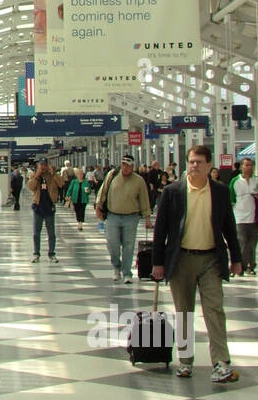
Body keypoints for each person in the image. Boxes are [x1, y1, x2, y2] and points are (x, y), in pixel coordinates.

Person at [151, 145, 243, 384]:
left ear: (209, 165)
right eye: (191, 161)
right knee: (183, 311)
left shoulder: (220, 192)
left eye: (199, 162)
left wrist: (237, 258)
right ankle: (185, 361)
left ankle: (221, 362)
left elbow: (229, 228)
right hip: (181, 259)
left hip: (211, 258)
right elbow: (160, 231)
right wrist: (157, 263)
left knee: (215, 309)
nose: (194, 166)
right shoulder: (173, 192)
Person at [96, 155, 152, 284]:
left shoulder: (139, 181)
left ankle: (127, 272)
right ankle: (116, 266)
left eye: (128, 165)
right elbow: (103, 190)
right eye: (123, 164)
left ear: (133, 167)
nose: (125, 168)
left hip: (131, 217)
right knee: (112, 243)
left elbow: (144, 200)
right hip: (113, 216)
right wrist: (98, 207)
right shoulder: (113, 175)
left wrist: (147, 218)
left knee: (128, 245)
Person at [228, 158, 258, 276]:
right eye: (246, 165)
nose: (249, 167)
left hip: (255, 217)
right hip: (240, 216)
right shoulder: (235, 181)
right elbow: (231, 199)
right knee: (243, 241)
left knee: (252, 243)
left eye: (251, 165)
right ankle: (241, 265)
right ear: (242, 167)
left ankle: (251, 265)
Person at [27, 159, 64, 262]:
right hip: (38, 207)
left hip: (49, 207)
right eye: (41, 165)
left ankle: (52, 253)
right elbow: (30, 186)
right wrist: (37, 176)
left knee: (51, 233)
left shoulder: (52, 175)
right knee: (36, 233)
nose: (43, 167)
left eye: (45, 165)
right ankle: (36, 253)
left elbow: (61, 183)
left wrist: (53, 173)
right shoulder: (35, 175)